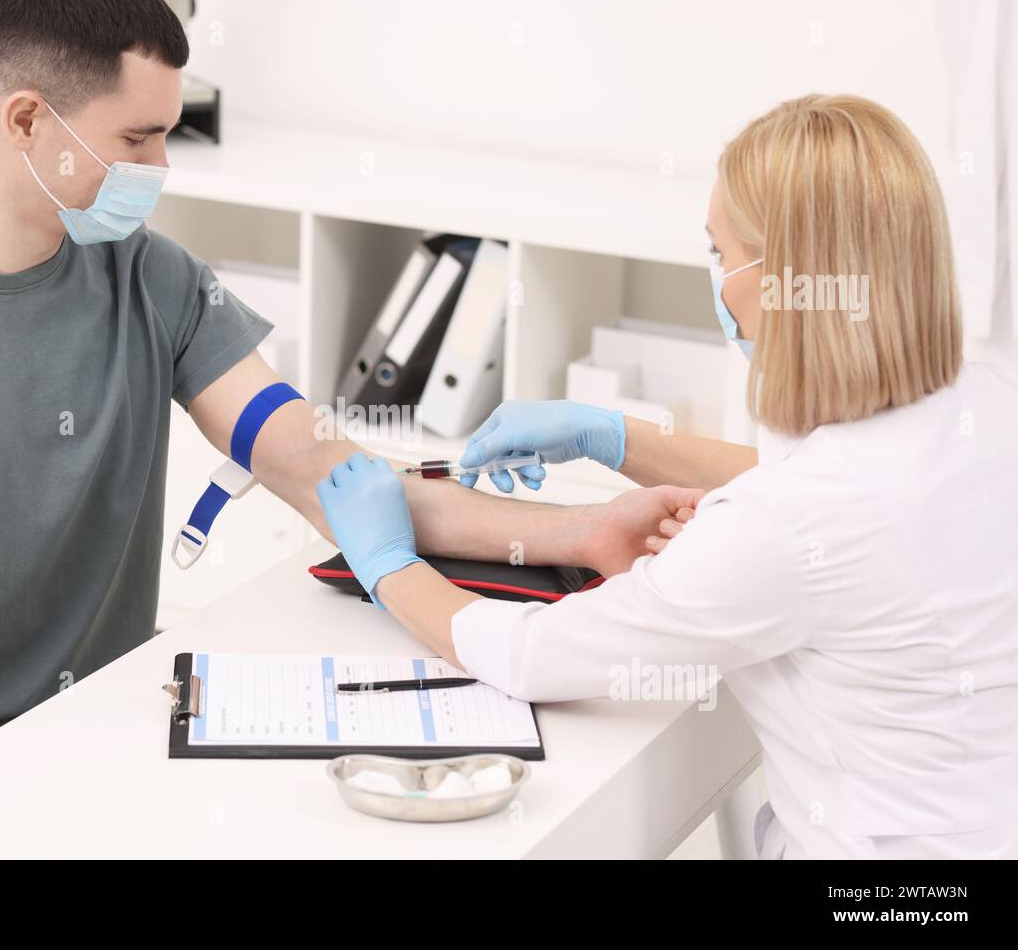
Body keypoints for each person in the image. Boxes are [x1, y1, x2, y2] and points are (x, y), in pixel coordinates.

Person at [0, 0, 693, 842]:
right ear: (27, 120)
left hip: (99, 748)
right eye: (136, 140)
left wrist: (579, 532)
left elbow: (330, 474)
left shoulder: (150, 278)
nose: (159, 170)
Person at [316, 94, 1018, 858]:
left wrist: (389, 565)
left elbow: (532, 654)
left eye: (721, 256)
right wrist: (611, 437)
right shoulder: (989, 403)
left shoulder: (783, 525)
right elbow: (832, 494)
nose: (715, 284)